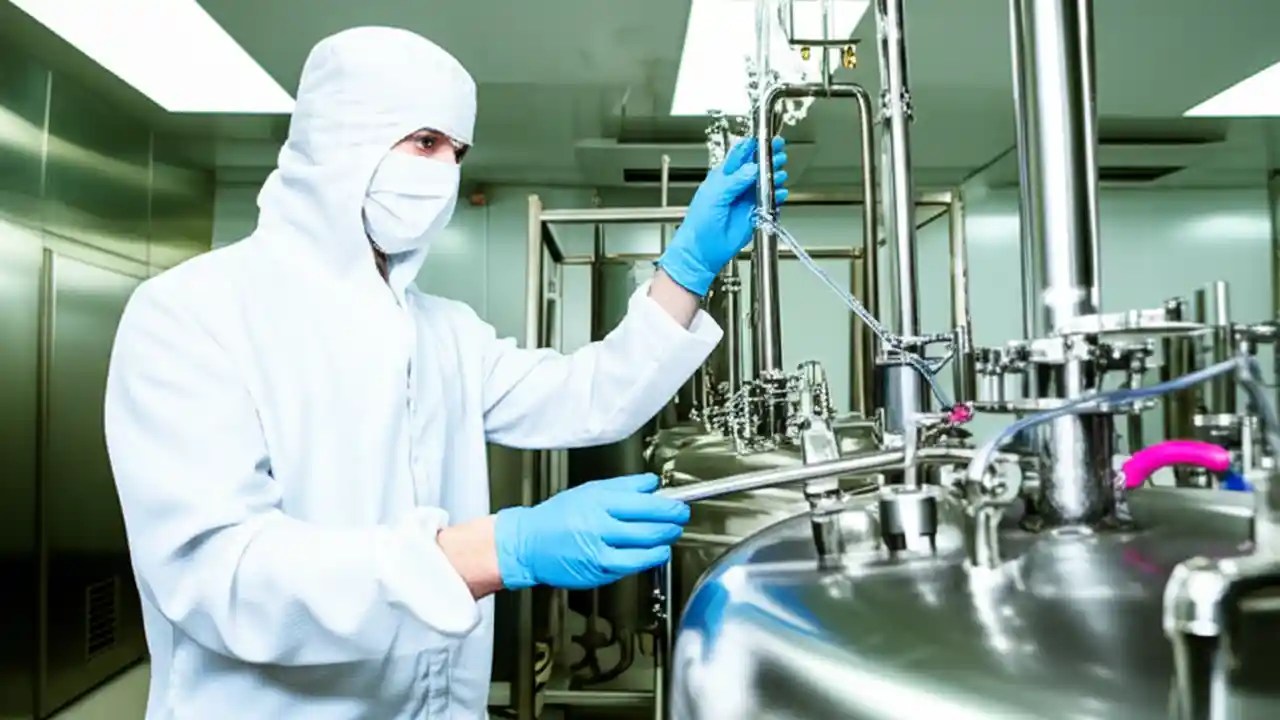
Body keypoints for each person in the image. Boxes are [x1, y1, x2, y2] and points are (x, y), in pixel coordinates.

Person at [103, 25, 787, 720]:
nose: (444, 172)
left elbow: (590, 397)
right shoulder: (192, 315)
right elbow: (224, 579)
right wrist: (497, 549)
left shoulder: (443, 330)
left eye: (456, 152)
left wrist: (687, 269)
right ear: (341, 141)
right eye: (425, 142)